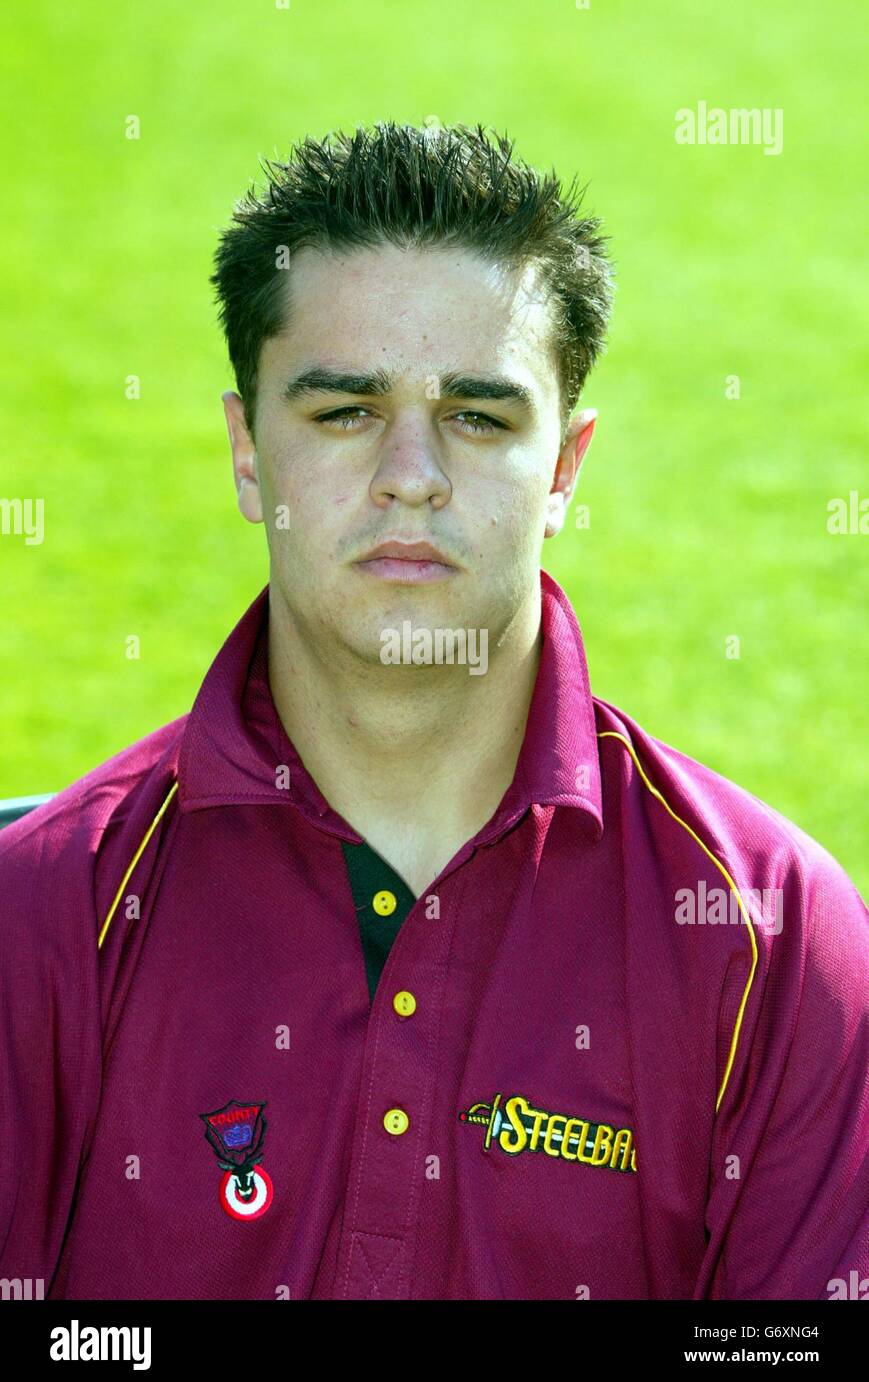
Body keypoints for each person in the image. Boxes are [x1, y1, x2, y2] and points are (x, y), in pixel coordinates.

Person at [1, 122, 866, 1301]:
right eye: (344, 410)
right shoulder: (45, 910)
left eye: (478, 416)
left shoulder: (770, 934)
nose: (412, 471)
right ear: (246, 451)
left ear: (563, 466)